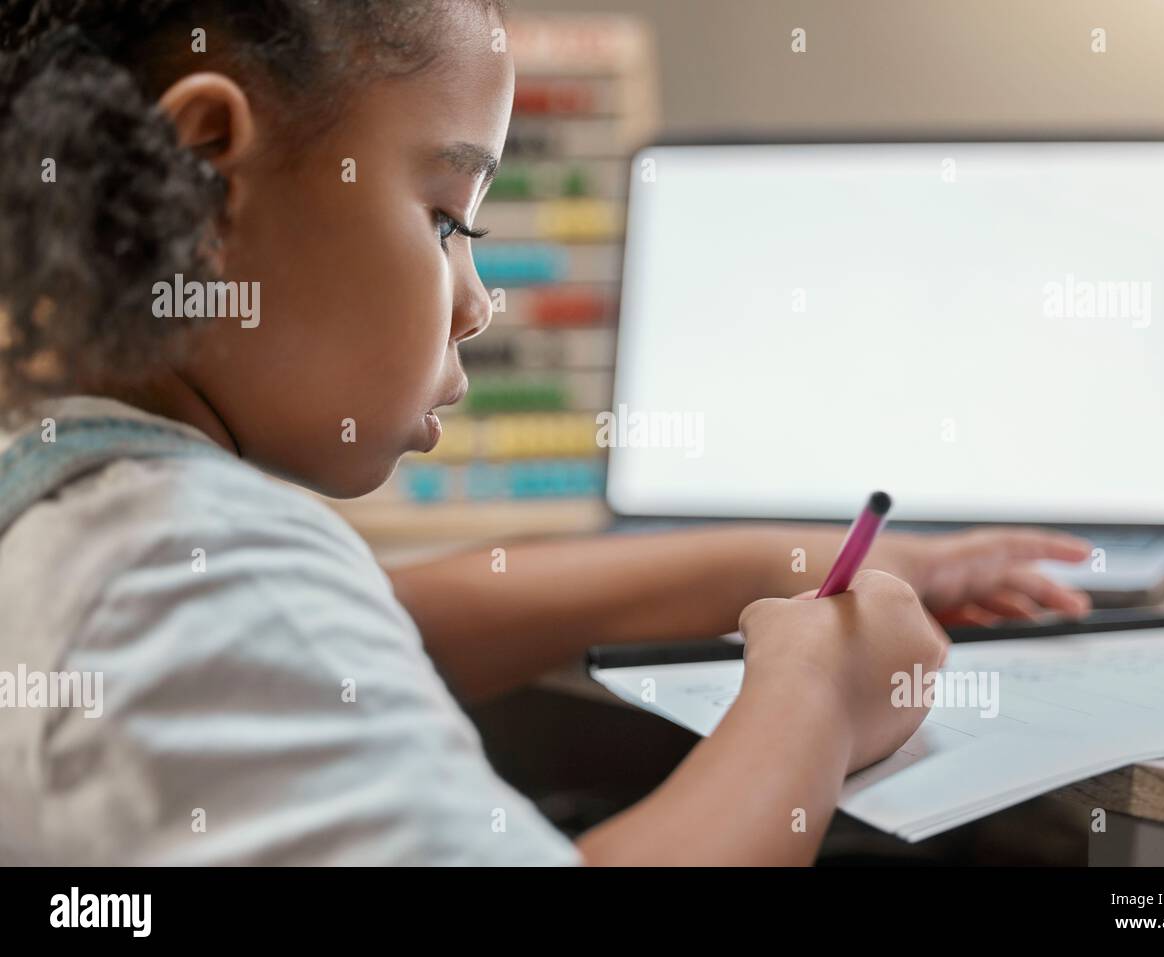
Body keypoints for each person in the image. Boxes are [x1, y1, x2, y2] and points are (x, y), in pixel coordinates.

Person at [0, 0, 1090, 865]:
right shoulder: (193, 573)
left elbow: (401, 619)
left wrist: (794, 563)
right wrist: (816, 703)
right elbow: (283, 618)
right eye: (445, 220)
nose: (476, 302)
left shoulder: (80, 507)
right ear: (204, 177)